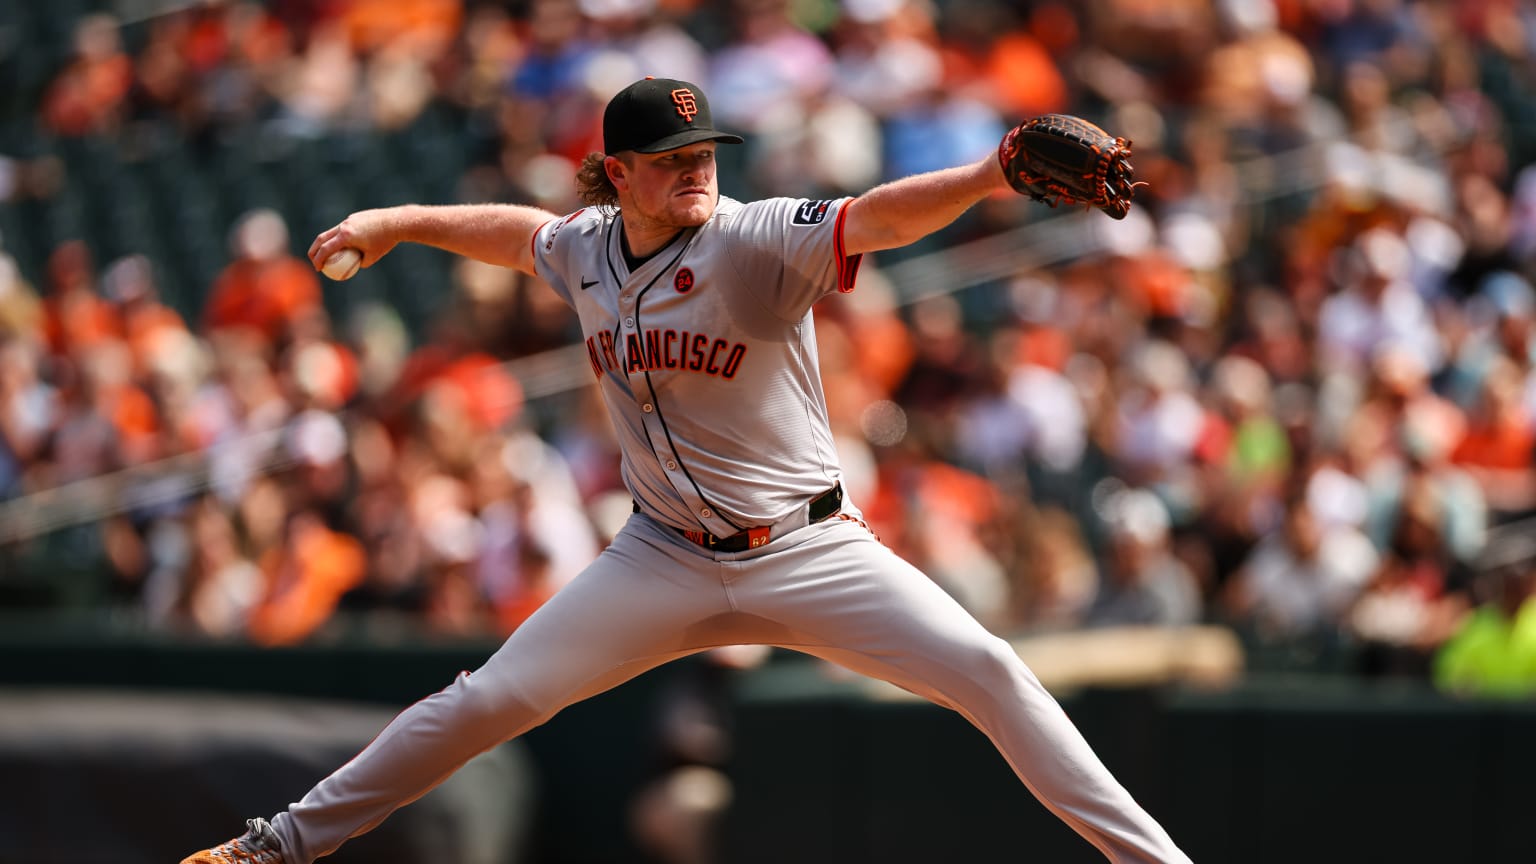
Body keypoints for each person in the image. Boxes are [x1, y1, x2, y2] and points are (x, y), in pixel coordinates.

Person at [181, 77, 1191, 864]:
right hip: (658, 559)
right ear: (617, 173)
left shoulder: (753, 238)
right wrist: (395, 222)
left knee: (991, 672)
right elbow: (514, 233)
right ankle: (281, 844)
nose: (697, 169)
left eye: (704, 150)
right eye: (670, 158)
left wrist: (986, 174)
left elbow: (873, 216)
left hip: (808, 548)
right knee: (485, 700)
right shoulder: (586, 248)